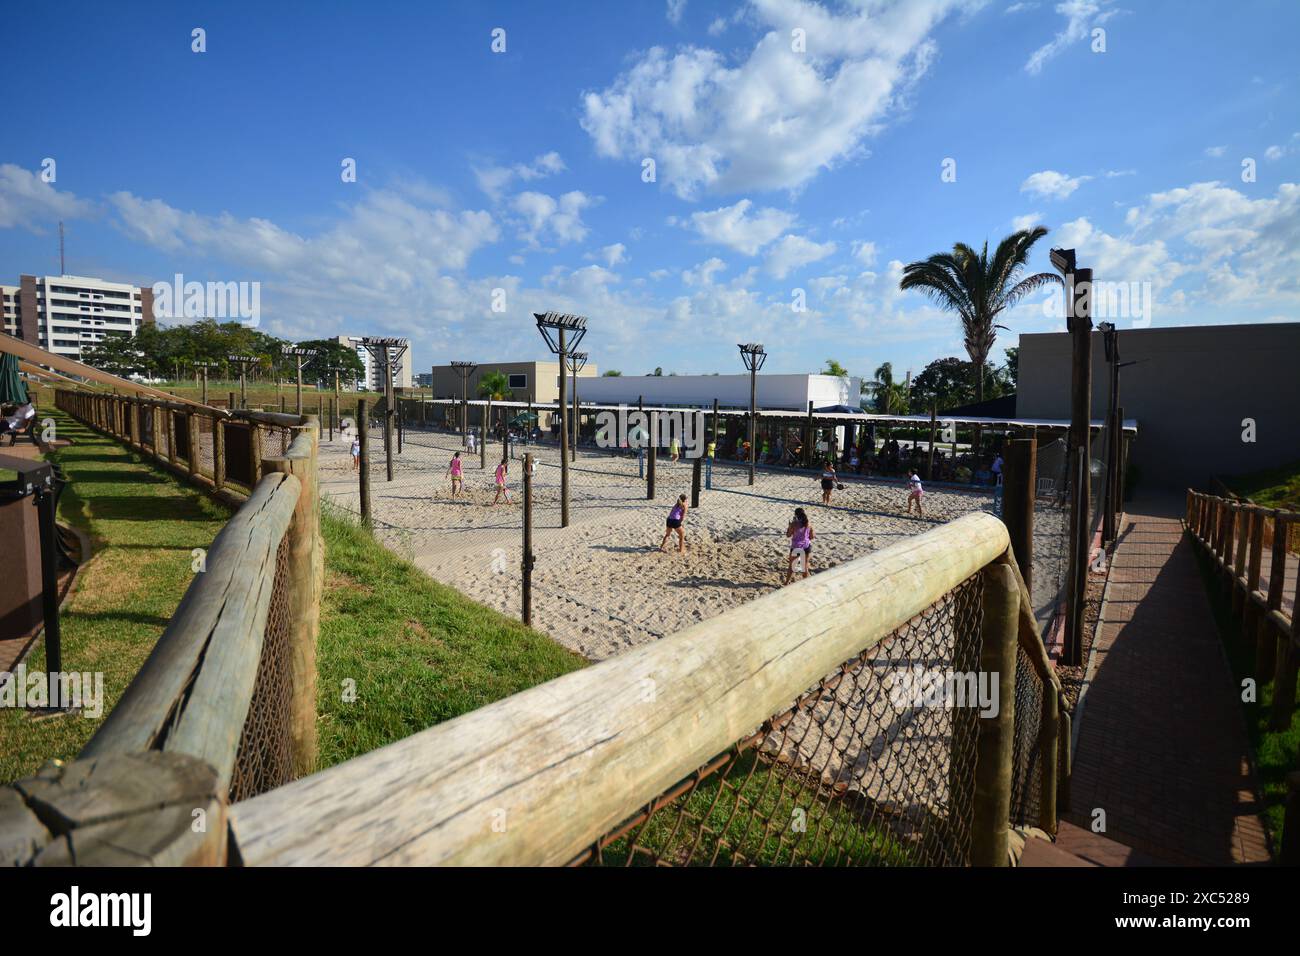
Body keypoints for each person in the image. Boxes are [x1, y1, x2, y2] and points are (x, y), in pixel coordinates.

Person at [784, 507, 814, 585]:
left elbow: (788, 535)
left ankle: (787, 583)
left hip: (796, 547)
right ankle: (806, 583)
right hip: (806, 547)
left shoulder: (794, 524)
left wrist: (789, 526)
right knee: (804, 567)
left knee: (792, 566)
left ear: (796, 515)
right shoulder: (808, 523)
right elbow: (812, 537)